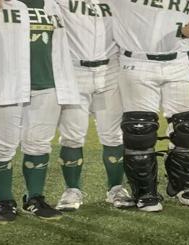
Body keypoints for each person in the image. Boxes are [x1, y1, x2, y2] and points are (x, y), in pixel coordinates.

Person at [0, 0, 84, 221]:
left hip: (48, 83)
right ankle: (4, 202)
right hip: (3, 83)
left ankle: (35, 198)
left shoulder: (53, 4)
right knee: (1, 146)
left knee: (39, 143)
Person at [112, 0, 189, 211]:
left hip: (178, 61)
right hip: (137, 61)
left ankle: (181, 186)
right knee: (139, 129)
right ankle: (145, 192)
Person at [54, 0, 126, 211]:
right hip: (74, 72)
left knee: (112, 134)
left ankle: (116, 188)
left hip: (110, 72)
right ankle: (72, 190)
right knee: (72, 135)